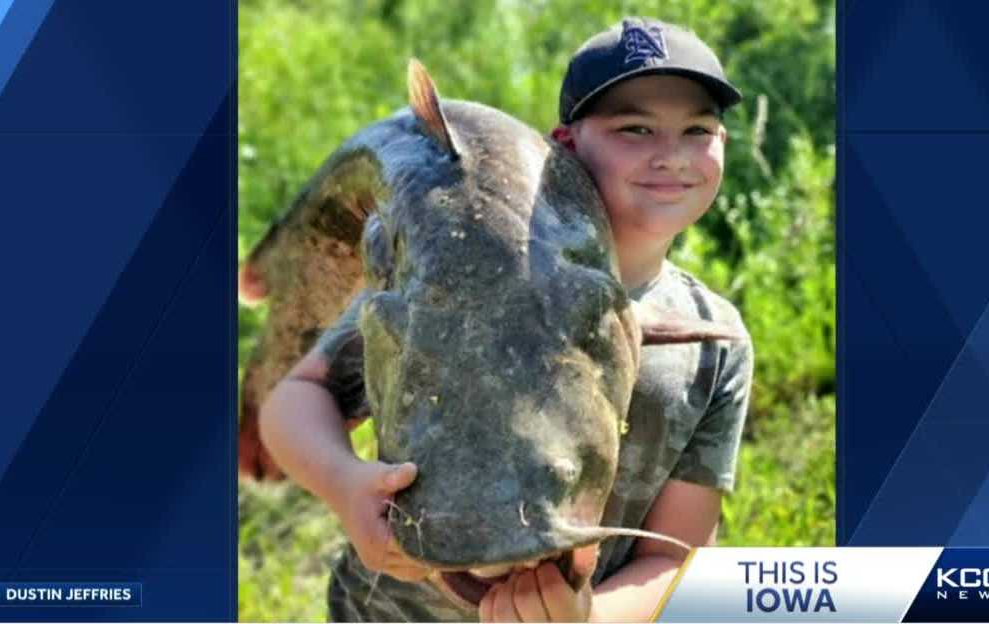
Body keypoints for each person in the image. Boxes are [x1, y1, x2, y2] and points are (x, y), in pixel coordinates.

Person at [259, 17, 753, 623]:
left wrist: (588, 618)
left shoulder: (716, 339)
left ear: (724, 145)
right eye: (635, 128)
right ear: (564, 144)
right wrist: (344, 485)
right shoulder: (460, 278)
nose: (669, 155)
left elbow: (677, 558)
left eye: (697, 130)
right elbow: (298, 396)